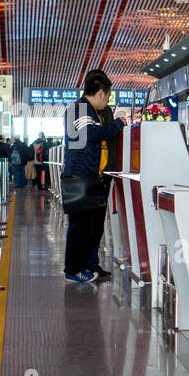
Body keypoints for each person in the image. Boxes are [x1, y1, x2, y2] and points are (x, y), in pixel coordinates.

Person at [61, 71, 125, 283]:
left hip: (92, 177)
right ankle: (72, 269)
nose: (106, 102)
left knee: (91, 226)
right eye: (106, 97)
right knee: (79, 226)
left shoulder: (92, 111)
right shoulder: (79, 109)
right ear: (99, 93)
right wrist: (118, 125)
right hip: (80, 176)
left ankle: (87, 265)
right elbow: (92, 135)